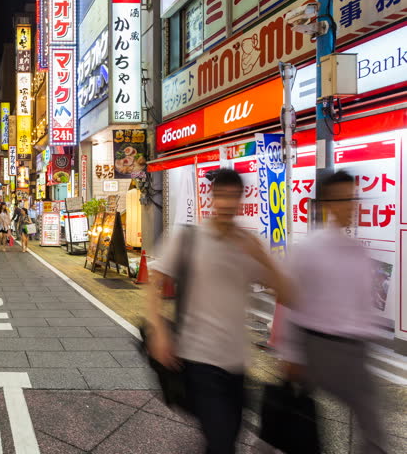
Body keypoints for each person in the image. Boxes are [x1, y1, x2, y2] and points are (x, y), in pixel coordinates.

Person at [147, 169, 291, 454]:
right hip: (198, 359)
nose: (226, 203)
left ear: (241, 200)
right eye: (221, 196)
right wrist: (158, 331)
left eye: (233, 197)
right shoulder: (188, 239)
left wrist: (262, 255)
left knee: (228, 439)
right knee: (222, 440)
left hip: (237, 362)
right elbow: (155, 284)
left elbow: (286, 295)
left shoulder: (248, 245)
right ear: (211, 198)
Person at [279, 170, 388, 454]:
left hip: (353, 351)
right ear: (326, 204)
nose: (350, 206)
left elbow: (364, 305)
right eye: (342, 200)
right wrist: (290, 353)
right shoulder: (307, 249)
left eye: (353, 199)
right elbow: (290, 301)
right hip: (315, 347)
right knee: (289, 416)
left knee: (373, 429)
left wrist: (370, 341)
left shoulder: (358, 251)